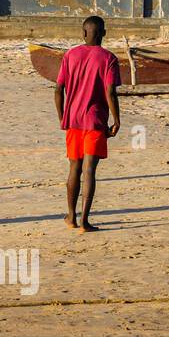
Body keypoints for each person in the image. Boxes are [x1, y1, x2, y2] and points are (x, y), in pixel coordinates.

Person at [55, 15, 121, 233]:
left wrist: (62, 116)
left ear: (83, 33)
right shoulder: (108, 58)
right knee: (89, 169)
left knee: (74, 167)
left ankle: (70, 217)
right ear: (103, 33)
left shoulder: (70, 55)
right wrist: (116, 119)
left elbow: (58, 89)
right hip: (95, 121)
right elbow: (110, 92)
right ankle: (85, 221)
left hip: (73, 120)